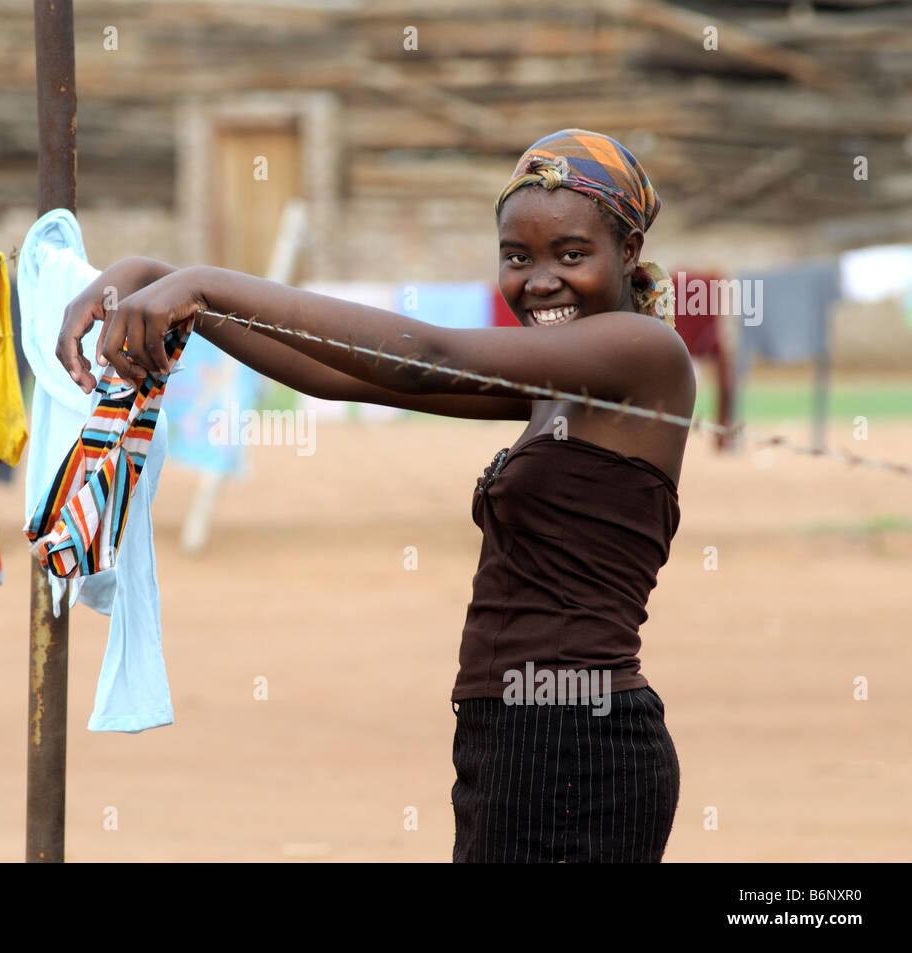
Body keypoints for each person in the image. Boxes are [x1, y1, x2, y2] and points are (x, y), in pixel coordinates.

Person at [55, 128, 695, 863]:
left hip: (577, 742)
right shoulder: (560, 385)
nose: (539, 279)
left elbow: (424, 359)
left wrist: (197, 282)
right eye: (517, 257)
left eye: (571, 254)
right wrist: (164, 284)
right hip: (514, 738)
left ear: (630, 253)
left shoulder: (645, 356)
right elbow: (344, 374)